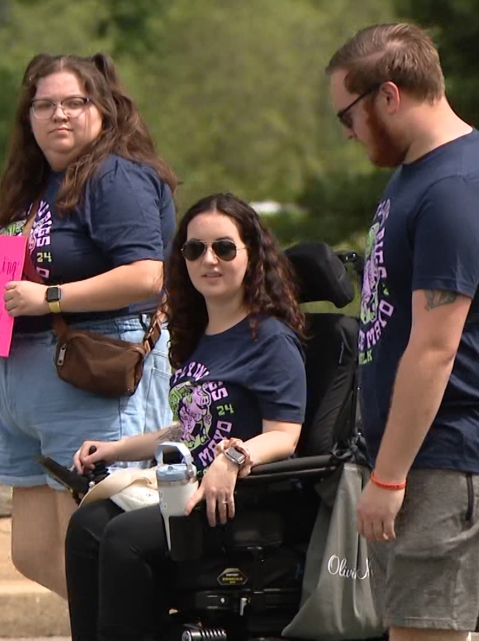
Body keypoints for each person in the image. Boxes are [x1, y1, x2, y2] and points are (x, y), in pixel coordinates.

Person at [326, 23, 479, 640]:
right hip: (428, 457)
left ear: (389, 96)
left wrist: (388, 477)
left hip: (453, 458)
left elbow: (435, 346)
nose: (345, 132)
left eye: (348, 114)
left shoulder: (453, 188)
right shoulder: (421, 173)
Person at [0, 53, 177, 598]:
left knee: (96, 549)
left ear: (105, 109)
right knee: (34, 555)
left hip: (93, 375)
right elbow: (25, 267)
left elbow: (148, 275)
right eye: (44, 105)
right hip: (21, 383)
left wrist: (50, 297)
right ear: (28, 117)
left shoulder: (115, 175)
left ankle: (148, 626)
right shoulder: (35, 183)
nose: (59, 115)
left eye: (75, 102)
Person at [62, 193, 308, 641]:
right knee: (86, 527)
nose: (208, 260)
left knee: (124, 538)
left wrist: (230, 460)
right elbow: (189, 428)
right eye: (194, 249)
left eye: (224, 248)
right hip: (183, 489)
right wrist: (115, 449)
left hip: (237, 499)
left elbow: (285, 435)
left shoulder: (270, 338)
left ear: (252, 255)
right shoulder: (198, 336)